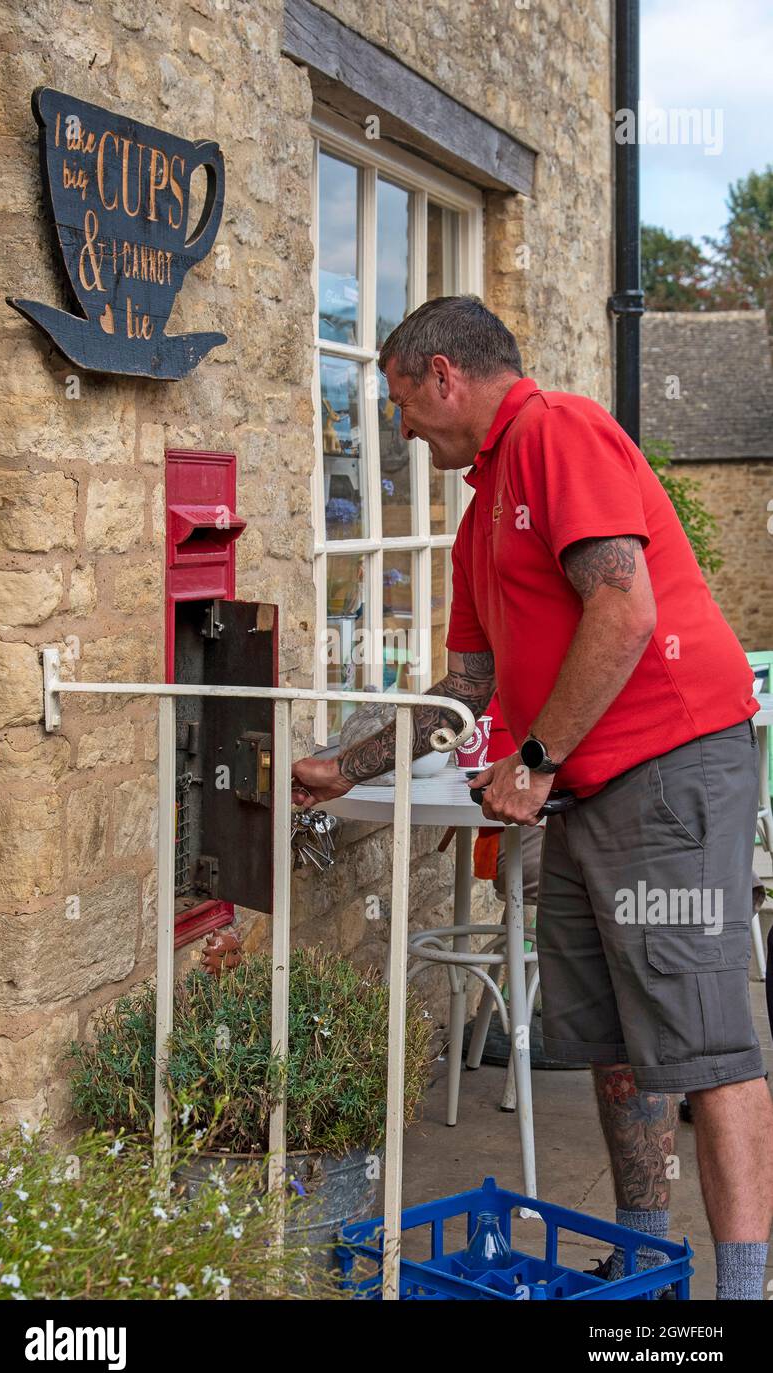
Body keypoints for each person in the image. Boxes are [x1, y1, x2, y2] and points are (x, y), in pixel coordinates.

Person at [292, 294, 773, 1299]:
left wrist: (539, 756)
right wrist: (349, 765)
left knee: (708, 1040)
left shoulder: (560, 433)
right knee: (608, 1041)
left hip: (673, 761)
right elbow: (466, 690)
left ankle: (742, 1290)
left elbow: (625, 606)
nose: (403, 428)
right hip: (585, 789)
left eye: (402, 403)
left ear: (444, 375)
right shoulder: (479, 520)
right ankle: (647, 1260)